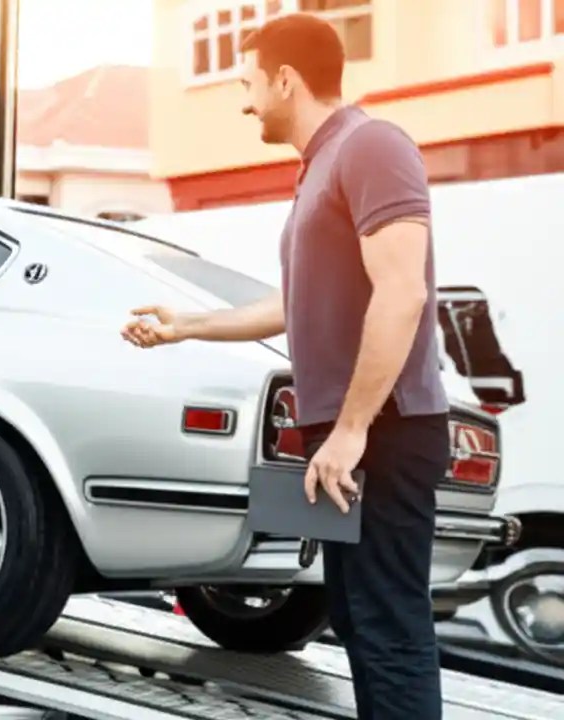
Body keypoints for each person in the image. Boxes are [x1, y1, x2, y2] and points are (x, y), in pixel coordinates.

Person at [122, 12, 446, 720]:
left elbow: (403, 291)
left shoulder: (372, 145)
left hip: (386, 429)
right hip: (355, 433)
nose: (245, 103)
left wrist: (353, 429)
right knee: (358, 619)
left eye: (248, 84)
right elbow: (294, 302)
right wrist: (185, 326)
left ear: (286, 80)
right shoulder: (323, 166)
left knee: (388, 624)